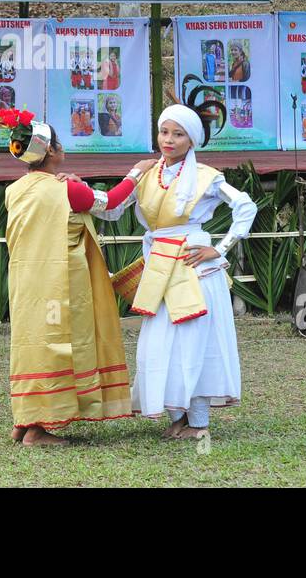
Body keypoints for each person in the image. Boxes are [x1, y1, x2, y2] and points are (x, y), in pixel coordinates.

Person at [95, 101, 256, 440]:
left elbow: (245, 206)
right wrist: (75, 187)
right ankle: (177, 416)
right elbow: (109, 210)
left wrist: (219, 248)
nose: (168, 140)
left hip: (192, 264)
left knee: (194, 341)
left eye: (178, 134)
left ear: (192, 140)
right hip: (158, 266)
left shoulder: (206, 177)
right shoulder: (147, 173)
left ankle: (198, 423)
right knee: (161, 342)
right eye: (164, 132)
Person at [0, 108, 137, 446]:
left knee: (31, 343)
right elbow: (110, 201)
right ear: (50, 151)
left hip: (26, 282)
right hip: (60, 280)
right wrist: (137, 174)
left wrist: (74, 183)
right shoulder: (65, 191)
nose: (62, 148)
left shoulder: (15, 189)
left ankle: (25, 419)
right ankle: (39, 430)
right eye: (58, 144)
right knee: (58, 344)